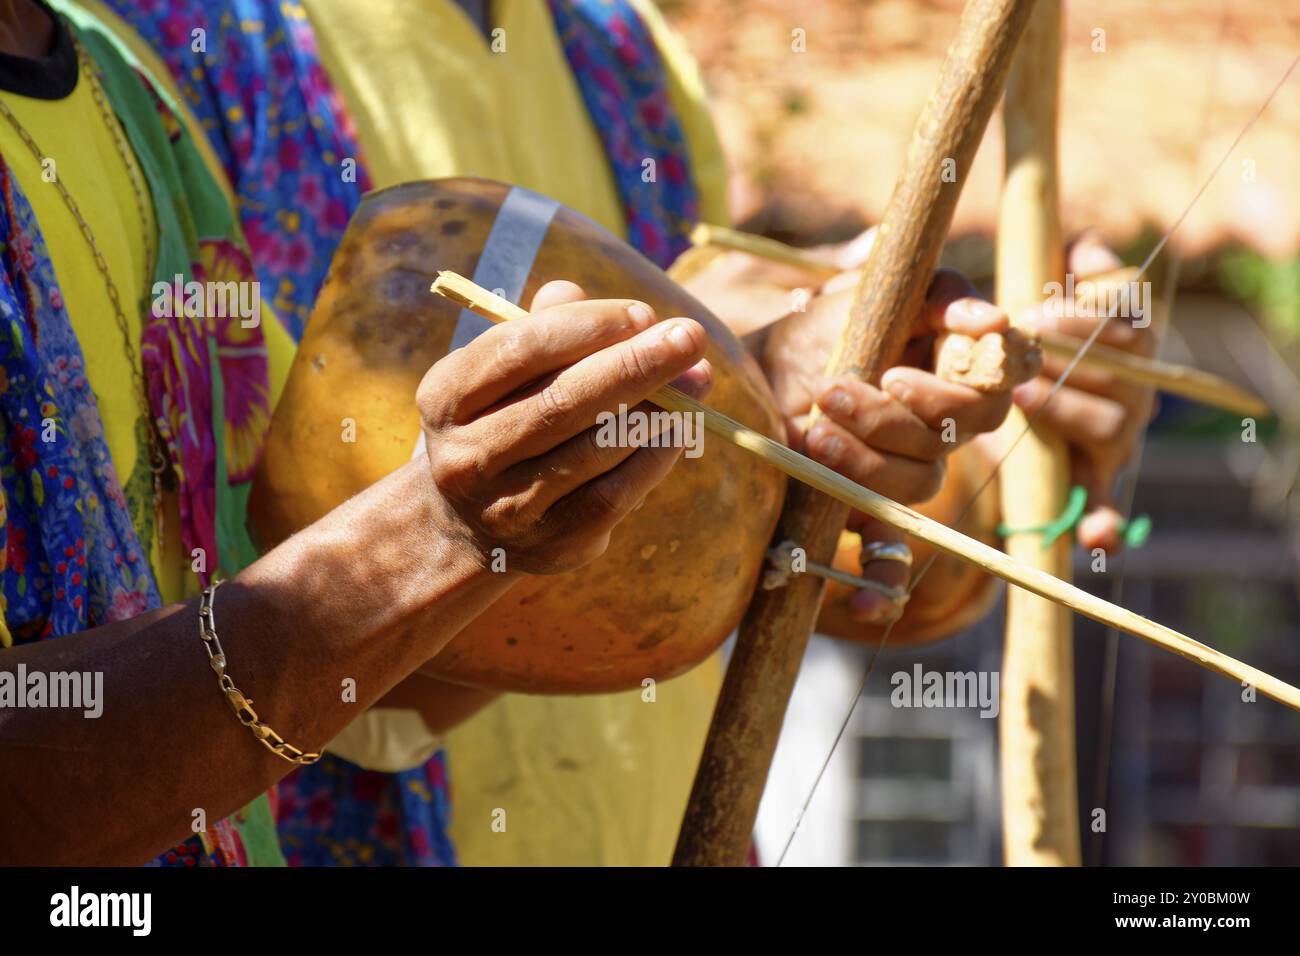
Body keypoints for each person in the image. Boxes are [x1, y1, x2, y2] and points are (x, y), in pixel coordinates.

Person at [87, 0, 1157, 866]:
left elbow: (752, 550)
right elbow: (231, 639)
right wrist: (740, 398)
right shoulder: (152, 57)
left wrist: (990, 466)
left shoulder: (623, 56)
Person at [0, 0, 721, 865]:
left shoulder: (123, 89)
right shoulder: (182, 40)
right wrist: (437, 526)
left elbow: (356, 694)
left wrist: (559, 491)